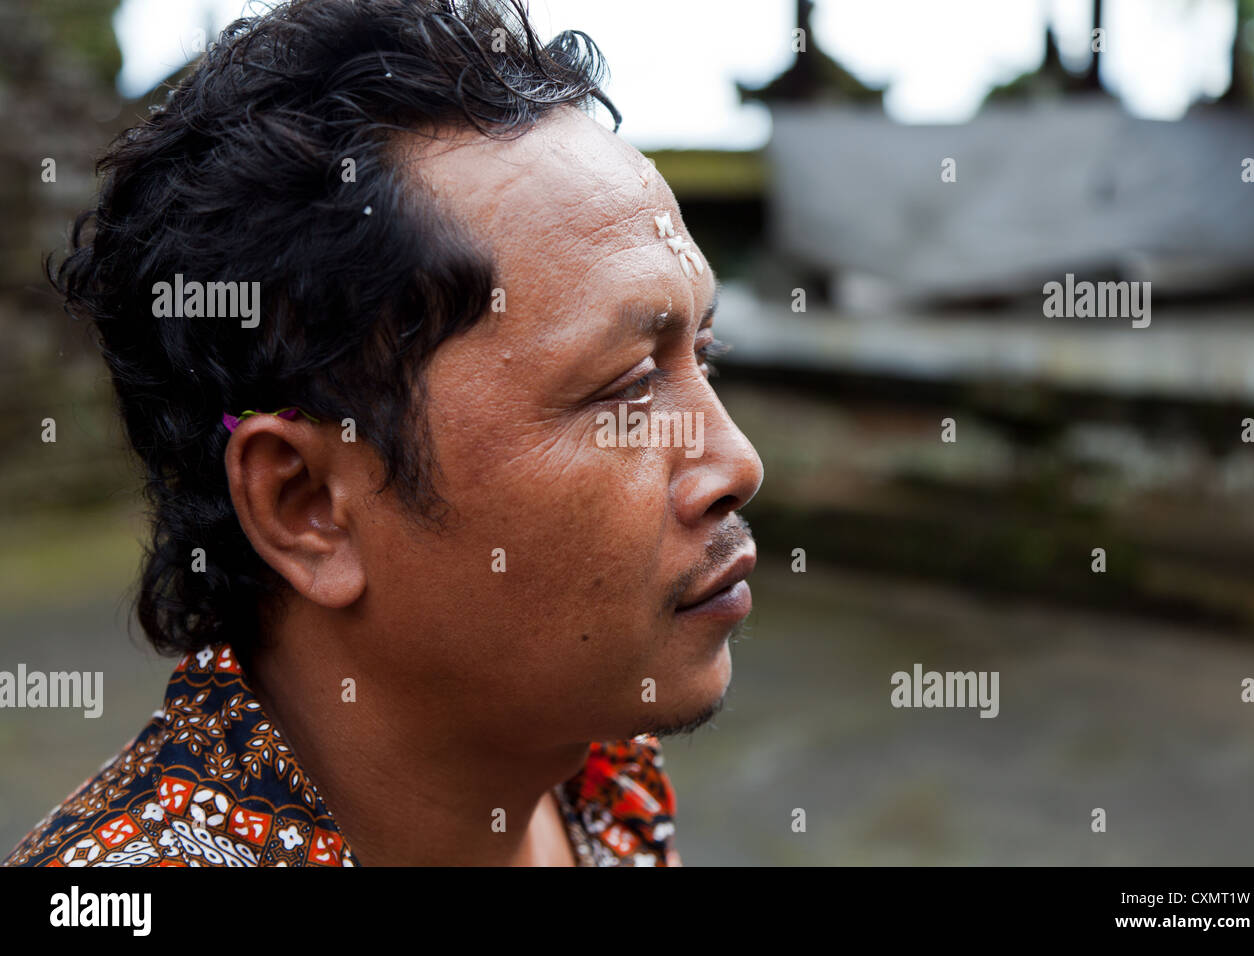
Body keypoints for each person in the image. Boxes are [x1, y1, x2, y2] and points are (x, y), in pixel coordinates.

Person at [4, 0, 762, 867]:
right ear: (306, 504)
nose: (737, 463)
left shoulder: (596, 770)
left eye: (703, 352)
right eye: (626, 389)